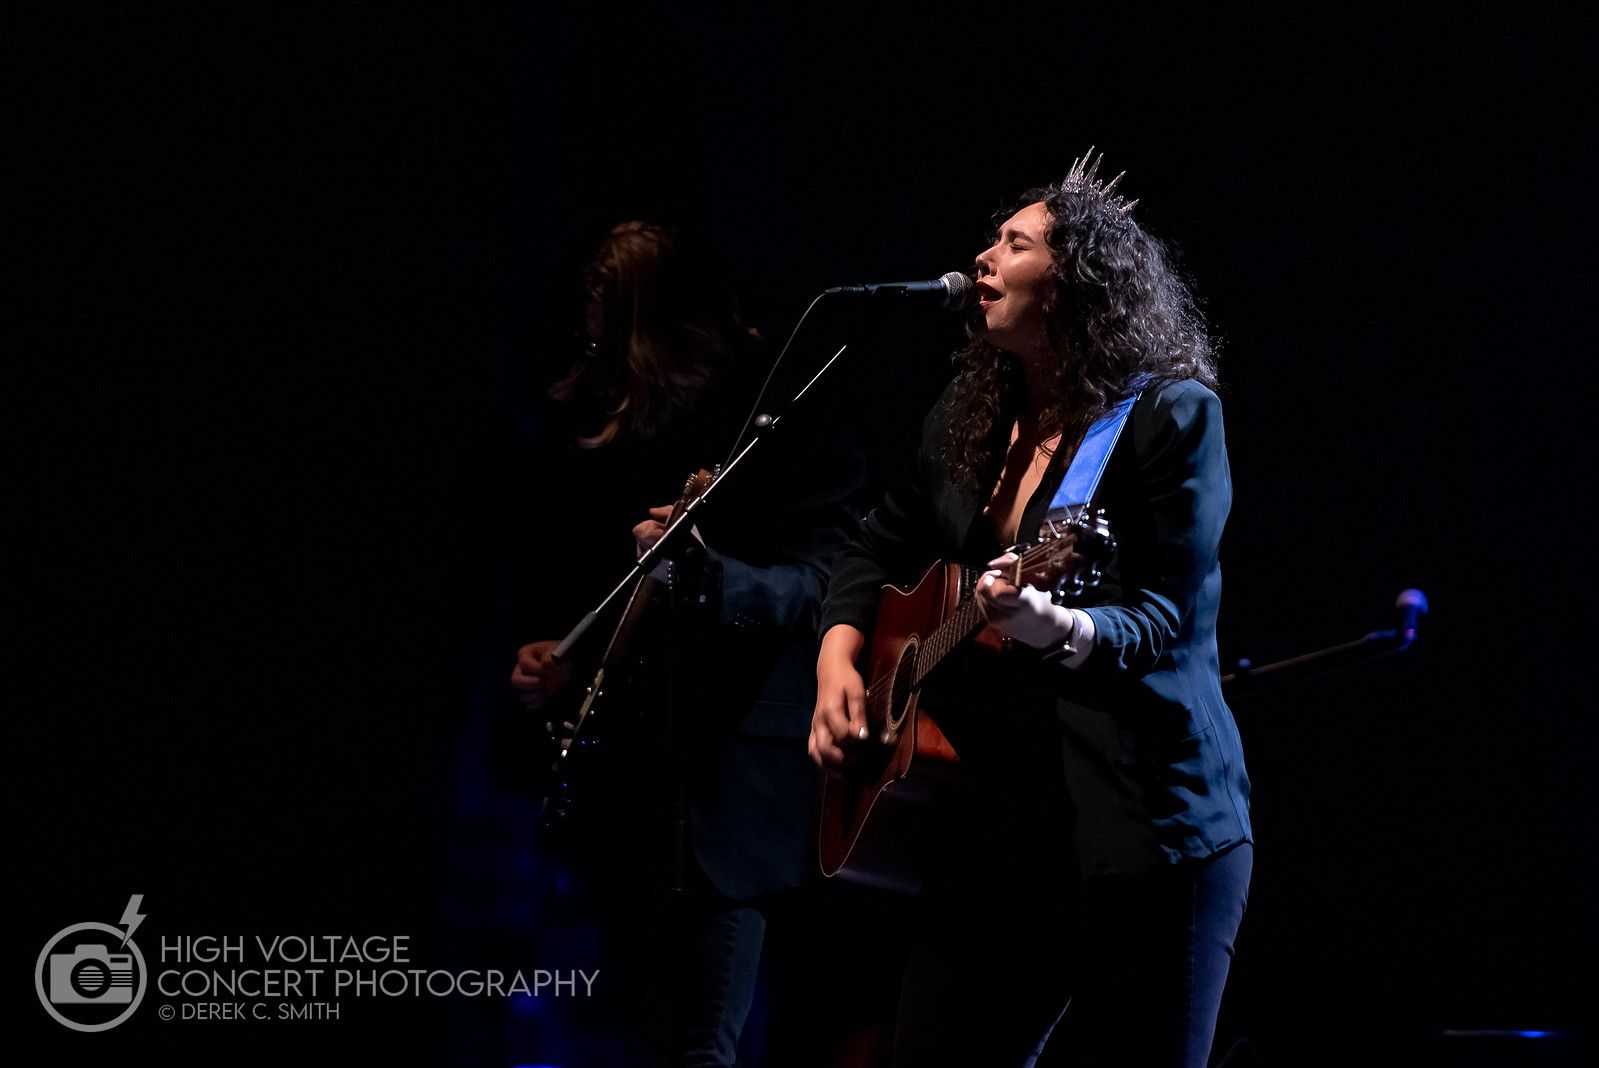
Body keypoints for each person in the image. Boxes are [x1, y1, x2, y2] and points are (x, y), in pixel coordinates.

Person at [809, 152, 1253, 1067]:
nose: (982, 258)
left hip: (1147, 827)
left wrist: (1060, 627)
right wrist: (837, 658)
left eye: (1013, 244)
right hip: (1001, 822)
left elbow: (1165, 617)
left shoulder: (1166, 415)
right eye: (991, 240)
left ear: (1074, 286)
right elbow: (871, 546)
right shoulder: (970, 414)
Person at [509, 219, 866, 1067]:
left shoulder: (790, 416)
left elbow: (827, 587)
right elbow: (626, 599)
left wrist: (710, 577)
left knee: (703, 1048)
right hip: (633, 793)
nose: (610, 373)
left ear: (668, 329)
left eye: (621, 346)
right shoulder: (639, 430)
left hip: (734, 803)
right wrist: (568, 659)